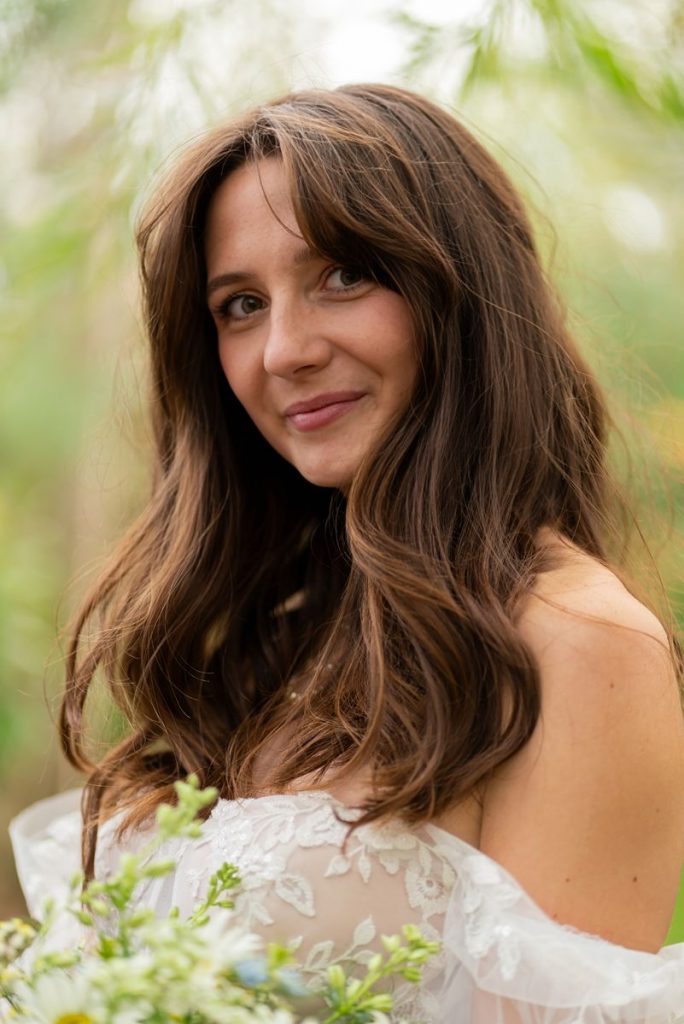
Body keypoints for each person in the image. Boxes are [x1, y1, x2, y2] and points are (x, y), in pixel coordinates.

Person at [10, 83, 684, 1022]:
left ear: (463, 293)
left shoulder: (580, 646)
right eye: (240, 304)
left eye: (343, 275)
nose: (283, 349)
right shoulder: (279, 637)